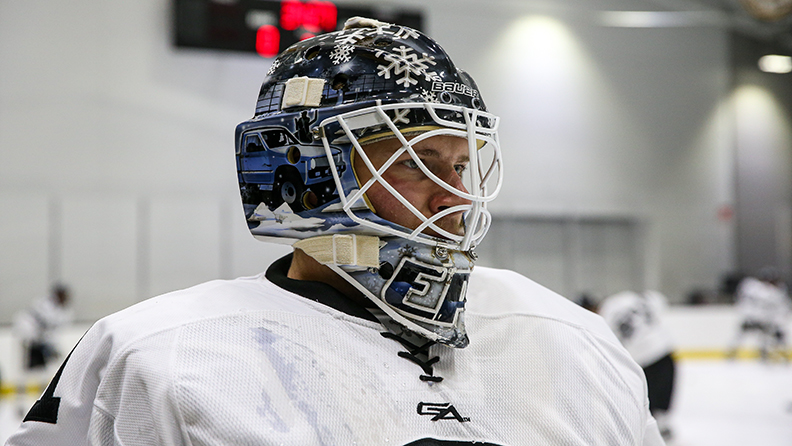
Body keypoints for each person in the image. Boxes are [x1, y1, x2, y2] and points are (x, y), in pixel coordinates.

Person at [6, 17, 664, 445]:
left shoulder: (572, 341)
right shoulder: (159, 354)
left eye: (463, 163)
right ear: (301, 171)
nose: (458, 195)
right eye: (415, 163)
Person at [598, 290, 677, 440]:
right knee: (663, 394)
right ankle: (662, 425)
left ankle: (650, 428)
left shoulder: (605, 311)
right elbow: (659, 302)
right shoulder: (629, 297)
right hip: (663, 349)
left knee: (646, 397)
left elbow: (610, 339)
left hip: (640, 359)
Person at [727, 267, 791, 361]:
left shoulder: (750, 285)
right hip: (754, 318)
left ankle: (768, 354)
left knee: (765, 337)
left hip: (760, 319)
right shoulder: (770, 291)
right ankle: (733, 353)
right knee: (744, 335)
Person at [12, 284, 73, 373]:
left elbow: (53, 332)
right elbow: (43, 327)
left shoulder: (64, 312)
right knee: (32, 360)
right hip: (29, 332)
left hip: (41, 338)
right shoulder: (45, 304)